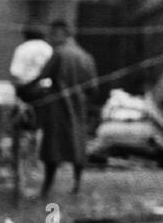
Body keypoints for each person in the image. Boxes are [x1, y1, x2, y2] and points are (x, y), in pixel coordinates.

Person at [35, 20, 97, 197]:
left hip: (58, 109)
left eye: (53, 34)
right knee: (77, 145)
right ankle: (77, 184)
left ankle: (46, 188)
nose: (51, 39)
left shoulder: (59, 53)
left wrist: (35, 90)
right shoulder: (86, 56)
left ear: (62, 33)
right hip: (78, 109)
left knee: (53, 148)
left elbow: (42, 77)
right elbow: (93, 88)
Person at [9, 26, 53, 103]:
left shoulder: (23, 48)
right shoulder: (49, 48)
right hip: (47, 89)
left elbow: (15, 73)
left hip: (28, 90)